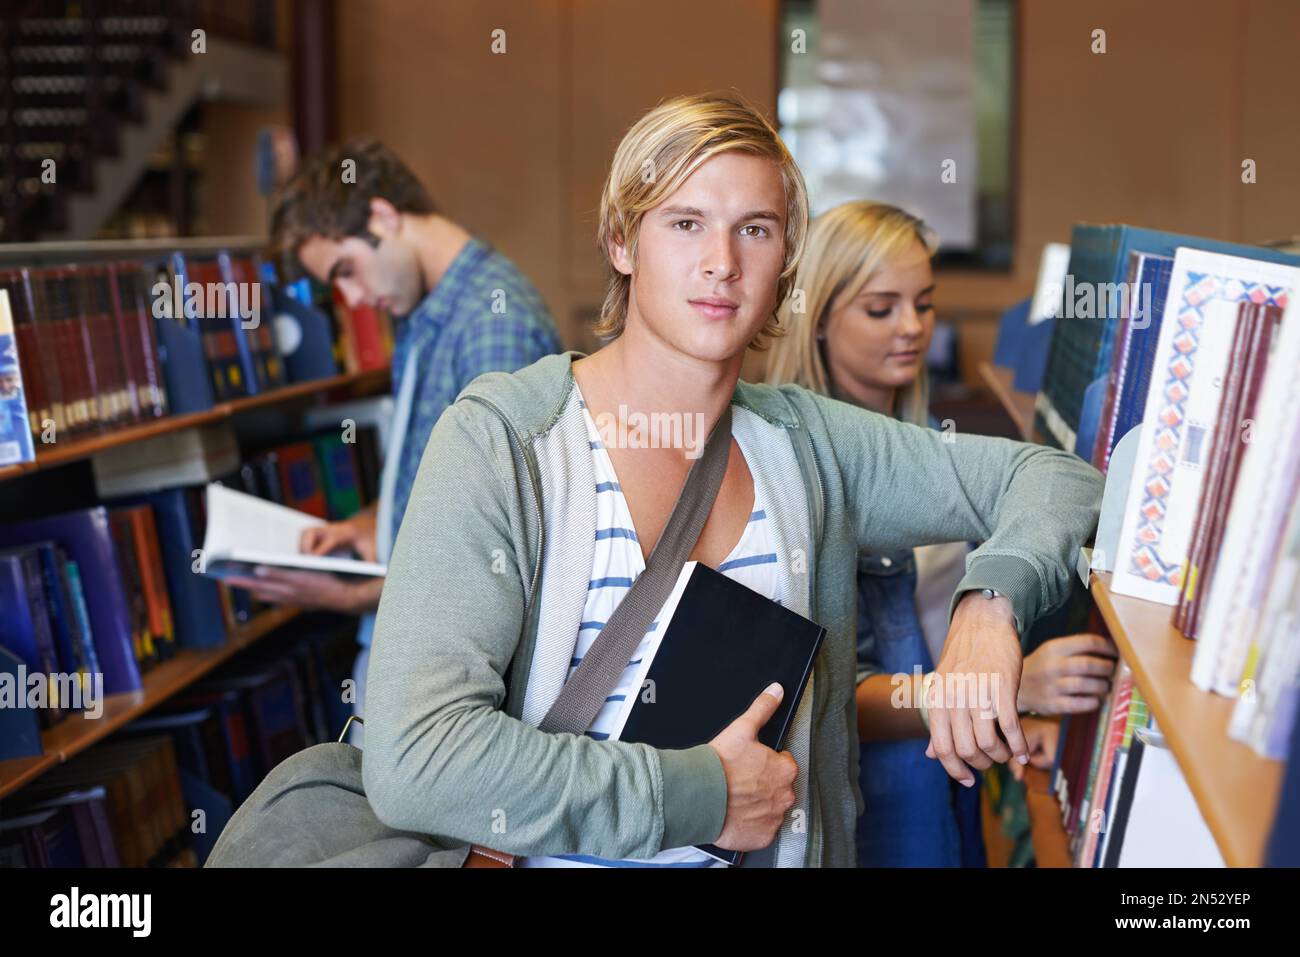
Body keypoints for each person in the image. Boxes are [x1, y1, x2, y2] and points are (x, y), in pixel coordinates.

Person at [351, 92, 1103, 868]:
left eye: (756, 228)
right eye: (685, 223)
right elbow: (418, 759)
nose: (723, 261)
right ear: (621, 241)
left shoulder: (813, 443)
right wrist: (700, 793)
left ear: (785, 262)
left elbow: (1058, 478)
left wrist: (993, 603)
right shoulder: (503, 443)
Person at [764, 200, 1118, 866]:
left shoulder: (934, 445)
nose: (912, 328)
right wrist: (1004, 688)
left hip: (947, 780)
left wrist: (1010, 711)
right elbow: (826, 694)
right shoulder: (791, 471)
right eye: (881, 308)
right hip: (875, 805)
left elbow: (1064, 482)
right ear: (816, 321)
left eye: (924, 303)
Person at [225, 138, 562, 736]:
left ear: (383, 217)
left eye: (346, 271)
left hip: (452, 674)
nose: (353, 299)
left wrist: (353, 596)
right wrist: (369, 525)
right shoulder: (422, 311)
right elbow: (435, 480)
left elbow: (503, 556)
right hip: (413, 645)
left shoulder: (494, 327)